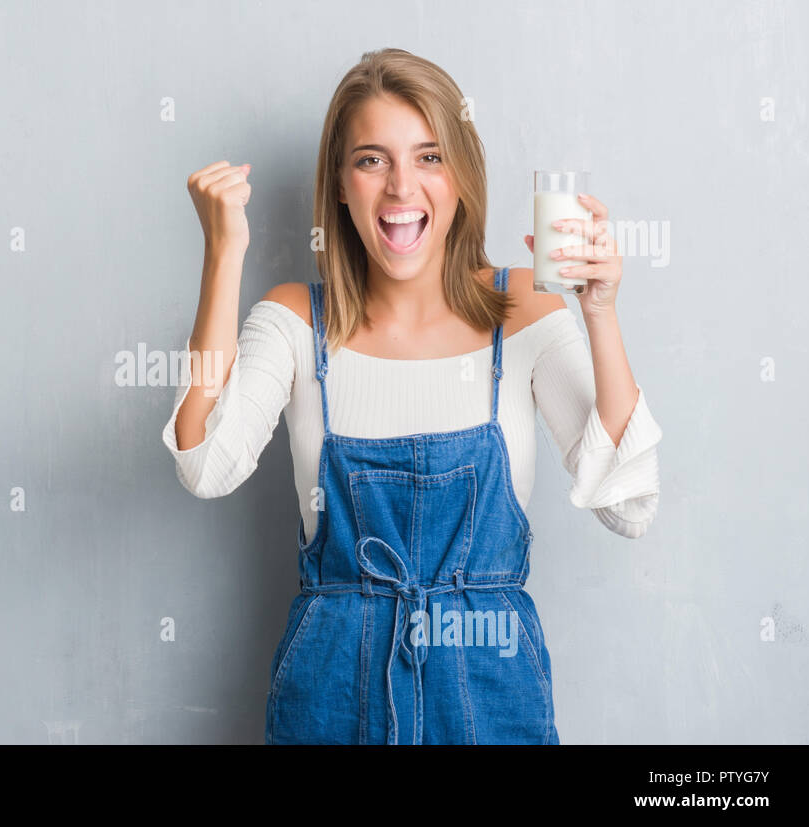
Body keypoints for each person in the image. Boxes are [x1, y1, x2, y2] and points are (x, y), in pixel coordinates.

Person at [162, 48, 662, 744]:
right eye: (371, 159)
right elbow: (204, 462)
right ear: (340, 184)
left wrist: (600, 311)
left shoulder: (521, 309)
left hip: (492, 695)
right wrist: (224, 252)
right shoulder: (295, 320)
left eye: (429, 157)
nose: (401, 186)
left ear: (461, 177)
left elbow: (628, 503)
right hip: (331, 698)